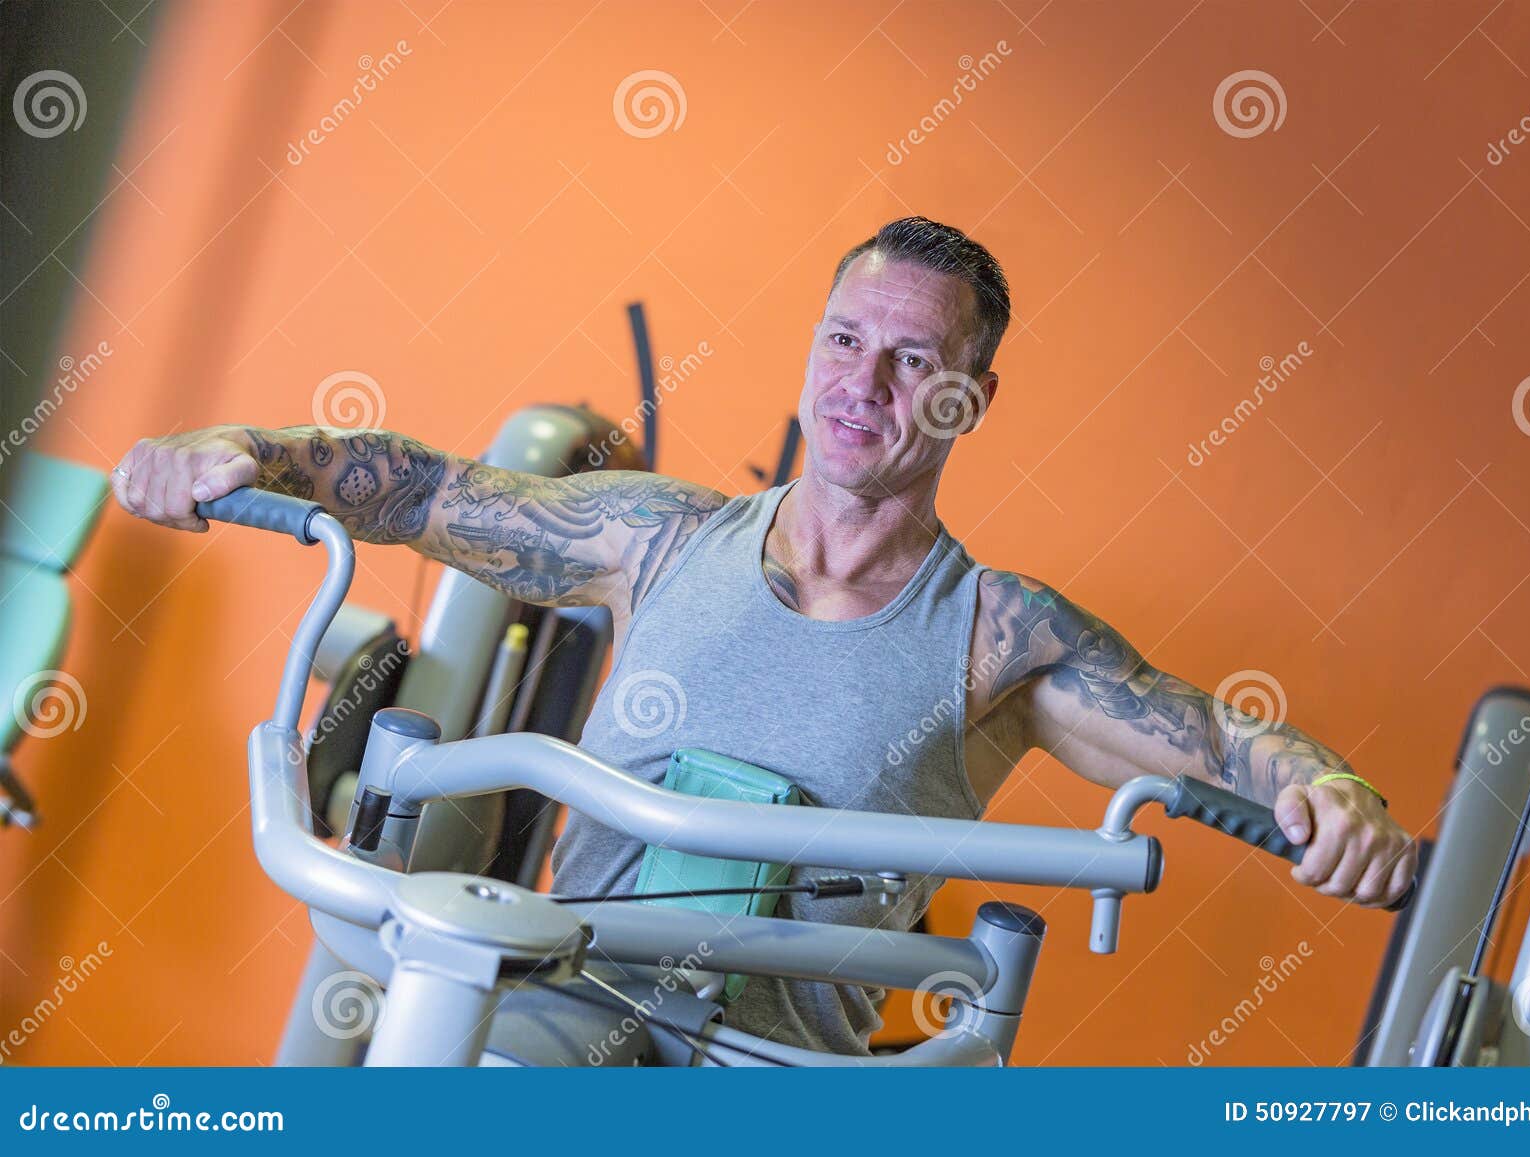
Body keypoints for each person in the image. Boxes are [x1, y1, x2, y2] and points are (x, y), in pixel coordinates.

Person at [112, 216, 1417, 1057]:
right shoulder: (660, 538)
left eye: (912, 360)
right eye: (845, 340)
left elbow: (1218, 740)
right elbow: (426, 493)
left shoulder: (997, 639)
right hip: (567, 1018)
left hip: (778, 1078)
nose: (864, 385)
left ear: (973, 396)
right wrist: (253, 450)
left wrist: (1320, 783)